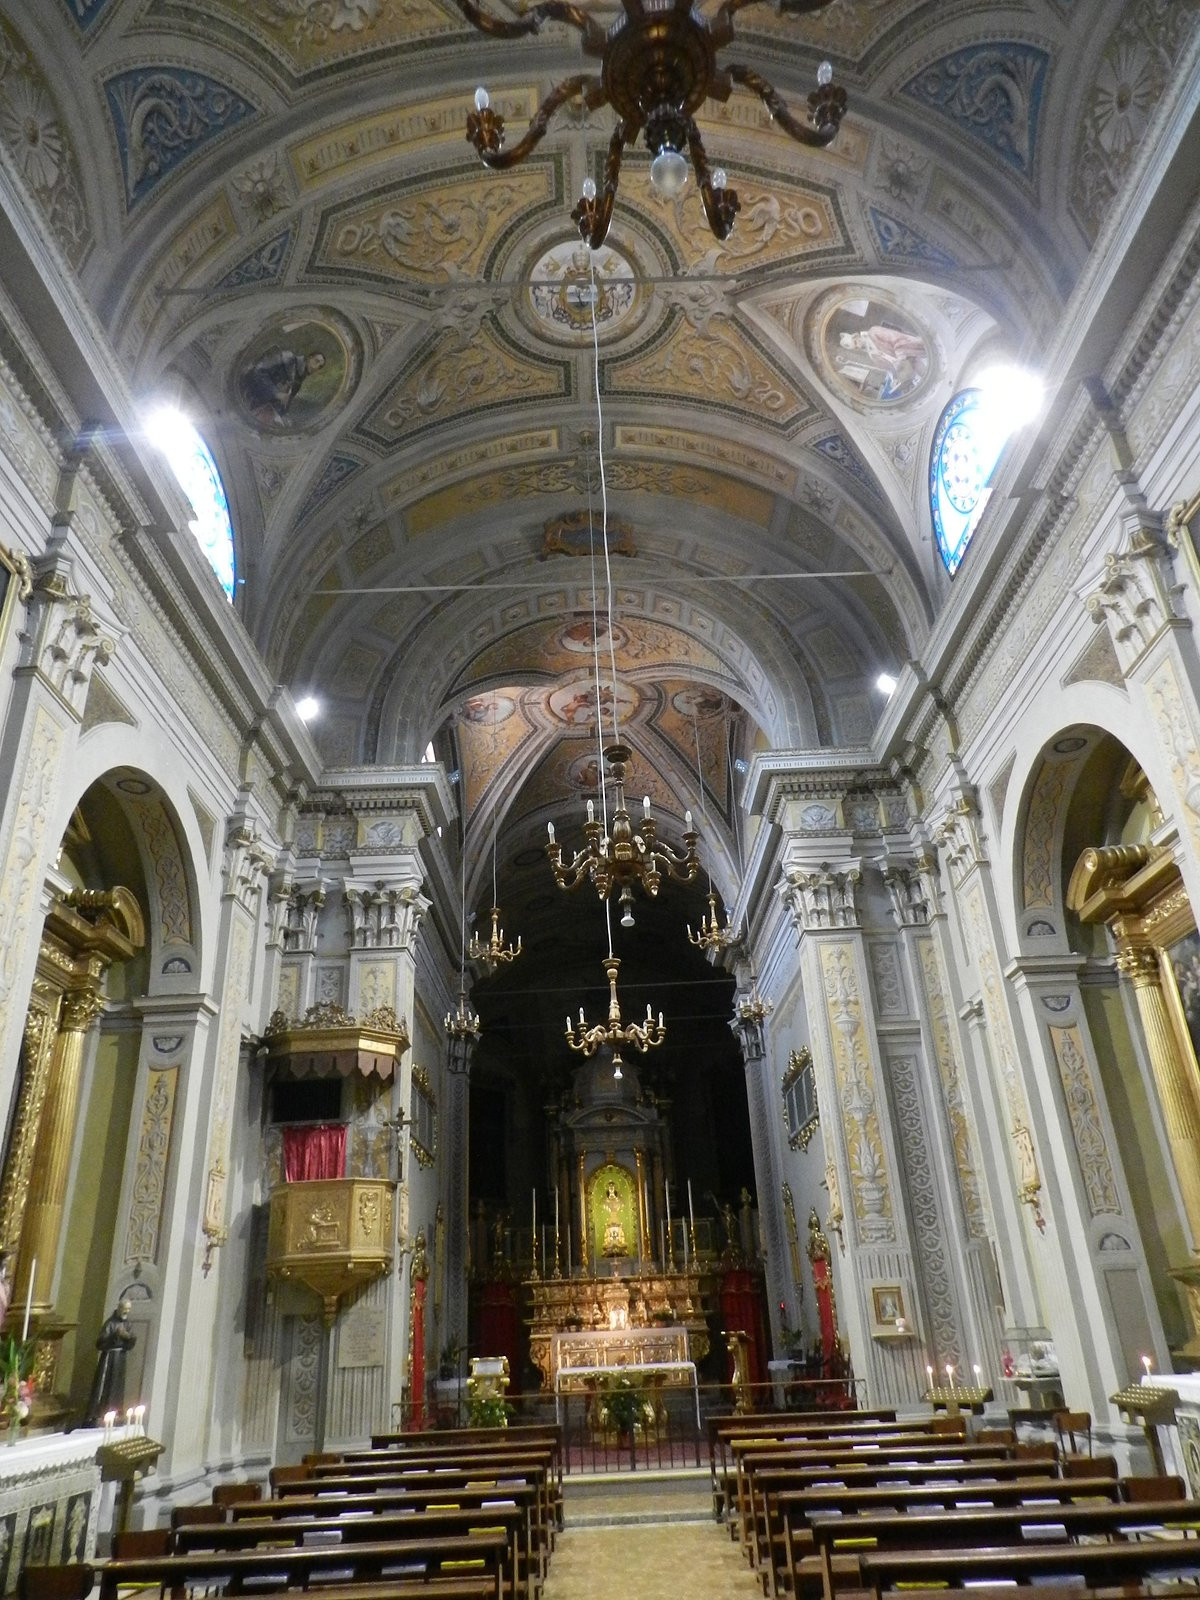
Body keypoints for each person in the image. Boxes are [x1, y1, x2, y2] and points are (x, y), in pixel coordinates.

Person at [240, 347, 327, 427]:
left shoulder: (298, 382)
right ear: (309, 358)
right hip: (244, 397)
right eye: (316, 361)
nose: (316, 367)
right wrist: (276, 393)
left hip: (255, 413)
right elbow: (258, 372)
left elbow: (284, 404)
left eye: (320, 367)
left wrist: (278, 415)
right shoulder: (287, 359)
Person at [83, 1299, 136, 1425]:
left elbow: (131, 1341)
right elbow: (100, 1342)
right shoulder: (110, 1323)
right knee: (106, 1384)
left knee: (117, 1386)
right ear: (119, 1308)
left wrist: (128, 1337)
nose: (127, 1311)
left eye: (128, 1309)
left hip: (120, 1358)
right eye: (125, 1308)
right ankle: (100, 1413)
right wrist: (115, 1335)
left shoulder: (128, 1324)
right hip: (109, 1357)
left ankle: (116, 1412)